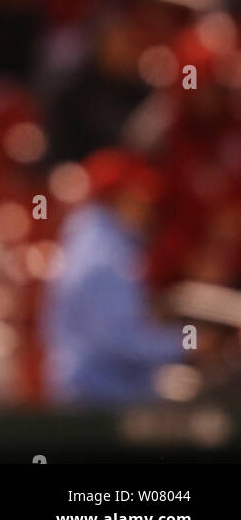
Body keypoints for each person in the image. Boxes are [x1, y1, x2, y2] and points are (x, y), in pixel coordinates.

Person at [41, 149, 182, 406]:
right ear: (116, 199)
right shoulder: (104, 255)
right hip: (97, 403)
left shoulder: (88, 238)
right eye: (138, 199)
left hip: (85, 396)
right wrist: (186, 344)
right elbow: (118, 341)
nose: (148, 209)